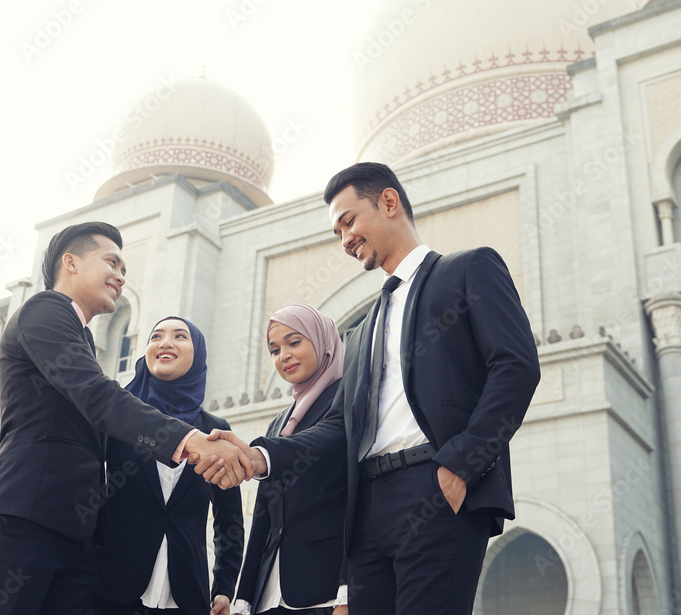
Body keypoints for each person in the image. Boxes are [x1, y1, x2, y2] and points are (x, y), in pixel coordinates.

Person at [201, 162, 541, 615]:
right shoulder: (359, 333)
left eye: (348, 221)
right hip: (368, 510)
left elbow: (515, 367)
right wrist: (260, 456)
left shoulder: (467, 270)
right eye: (336, 231)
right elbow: (341, 429)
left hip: (436, 486)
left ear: (388, 202)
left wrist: (462, 464)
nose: (344, 239)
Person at [0, 221, 254, 615]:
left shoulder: (80, 338)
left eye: (124, 269)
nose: (120, 276)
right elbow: (98, 396)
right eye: (112, 262)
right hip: (25, 520)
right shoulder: (44, 310)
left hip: (72, 537)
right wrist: (189, 441)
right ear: (70, 262)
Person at [90, 317, 243, 615]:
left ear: (197, 354)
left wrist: (225, 587)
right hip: (111, 592)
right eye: (156, 336)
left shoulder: (215, 432)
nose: (165, 342)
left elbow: (229, 520)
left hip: (186, 598)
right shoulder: (122, 418)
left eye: (179, 336)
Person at [232, 305, 348, 615]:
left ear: (322, 342)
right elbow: (263, 515)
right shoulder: (281, 422)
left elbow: (360, 504)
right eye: (274, 349)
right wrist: (244, 597)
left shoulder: (348, 398)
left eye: (294, 342)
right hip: (271, 591)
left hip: (324, 590)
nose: (283, 355)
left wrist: (347, 590)